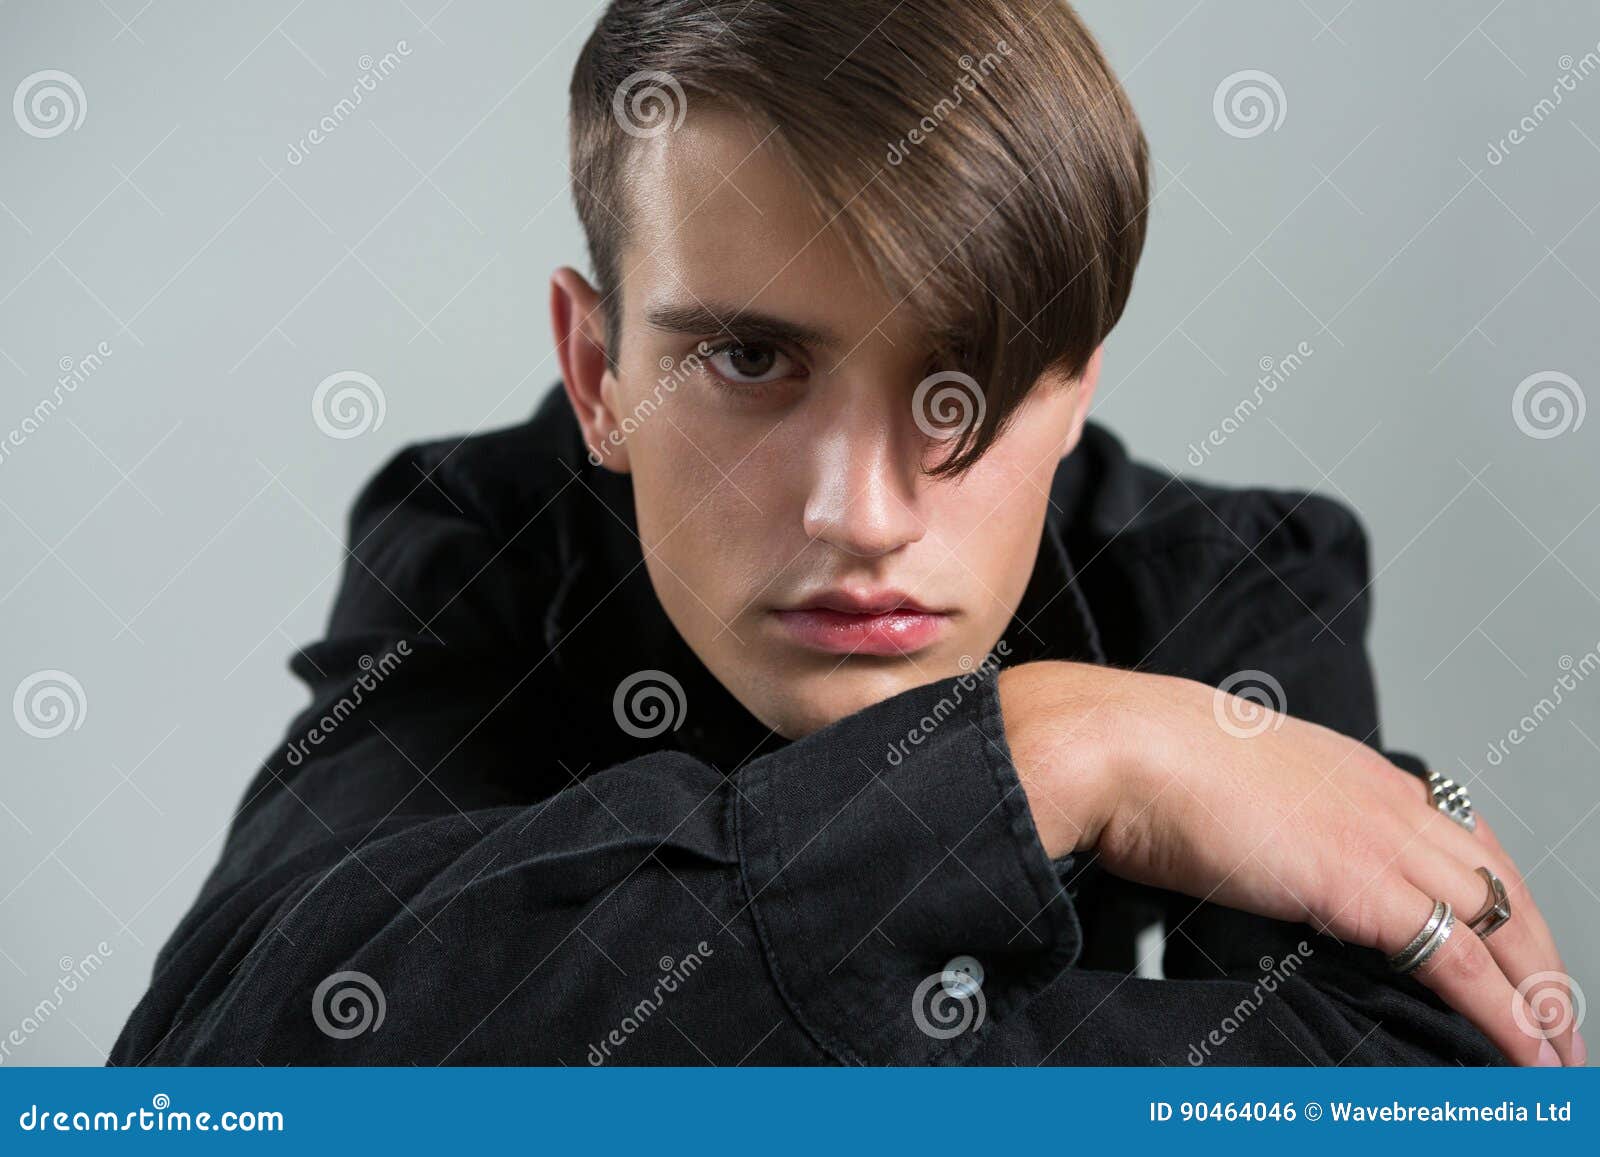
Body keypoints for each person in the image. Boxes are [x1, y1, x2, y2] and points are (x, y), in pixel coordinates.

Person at [112, 0, 1580, 1066]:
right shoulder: (479, 532)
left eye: (968, 380)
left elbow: (1413, 1101)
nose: (860, 514)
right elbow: (224, 1065)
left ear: (1076, 386)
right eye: (749, 360)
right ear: (595, 375)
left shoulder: (1225, 582)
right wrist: (1055, 751)